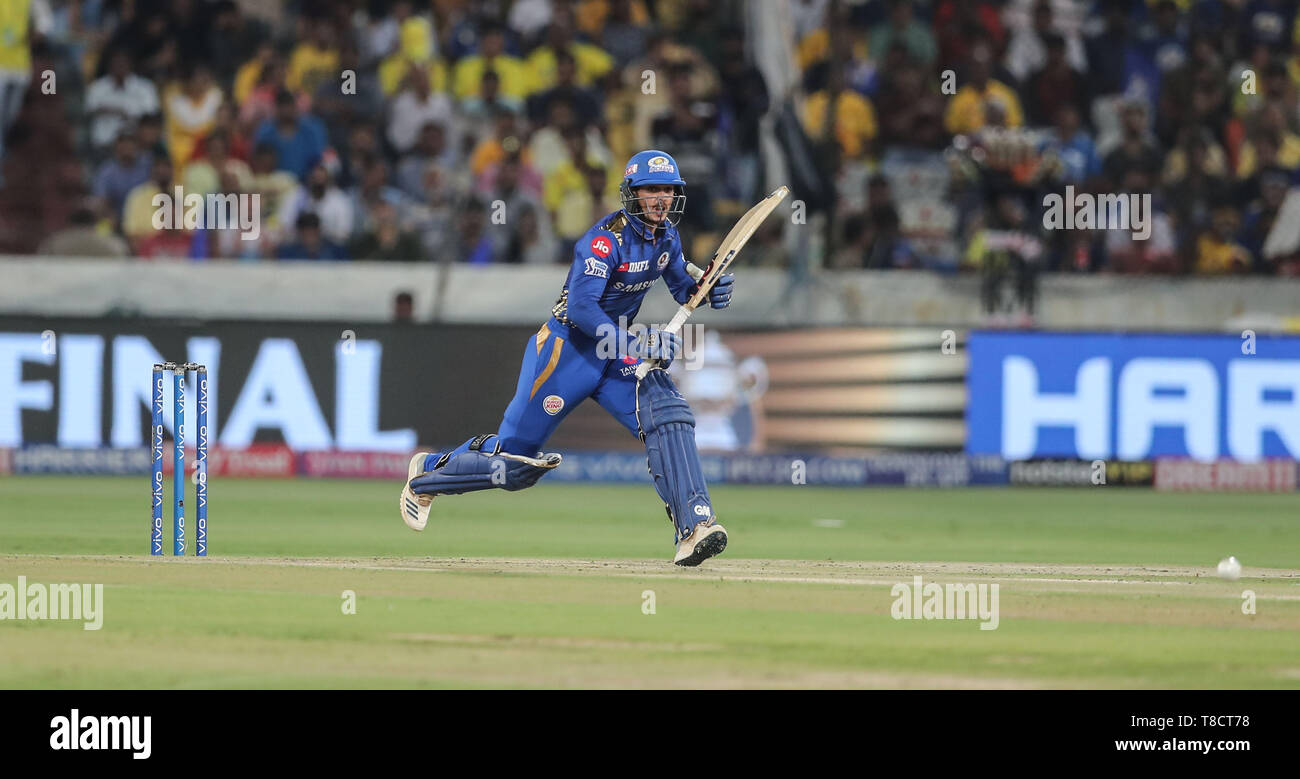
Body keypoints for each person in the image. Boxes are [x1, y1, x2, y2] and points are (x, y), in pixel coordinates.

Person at [399, 150, 736, 566]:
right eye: (651, 189)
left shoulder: (667, 237)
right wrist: (637, 345)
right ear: (631, 193)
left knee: (669, 412)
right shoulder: (602, 241)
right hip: (565, 352)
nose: (661, 198)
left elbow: (686, 288)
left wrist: (710, 289)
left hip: (614, 355)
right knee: (516, 466)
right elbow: (581, 309)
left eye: (668, 190)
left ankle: (695, 526)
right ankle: (429, 473)